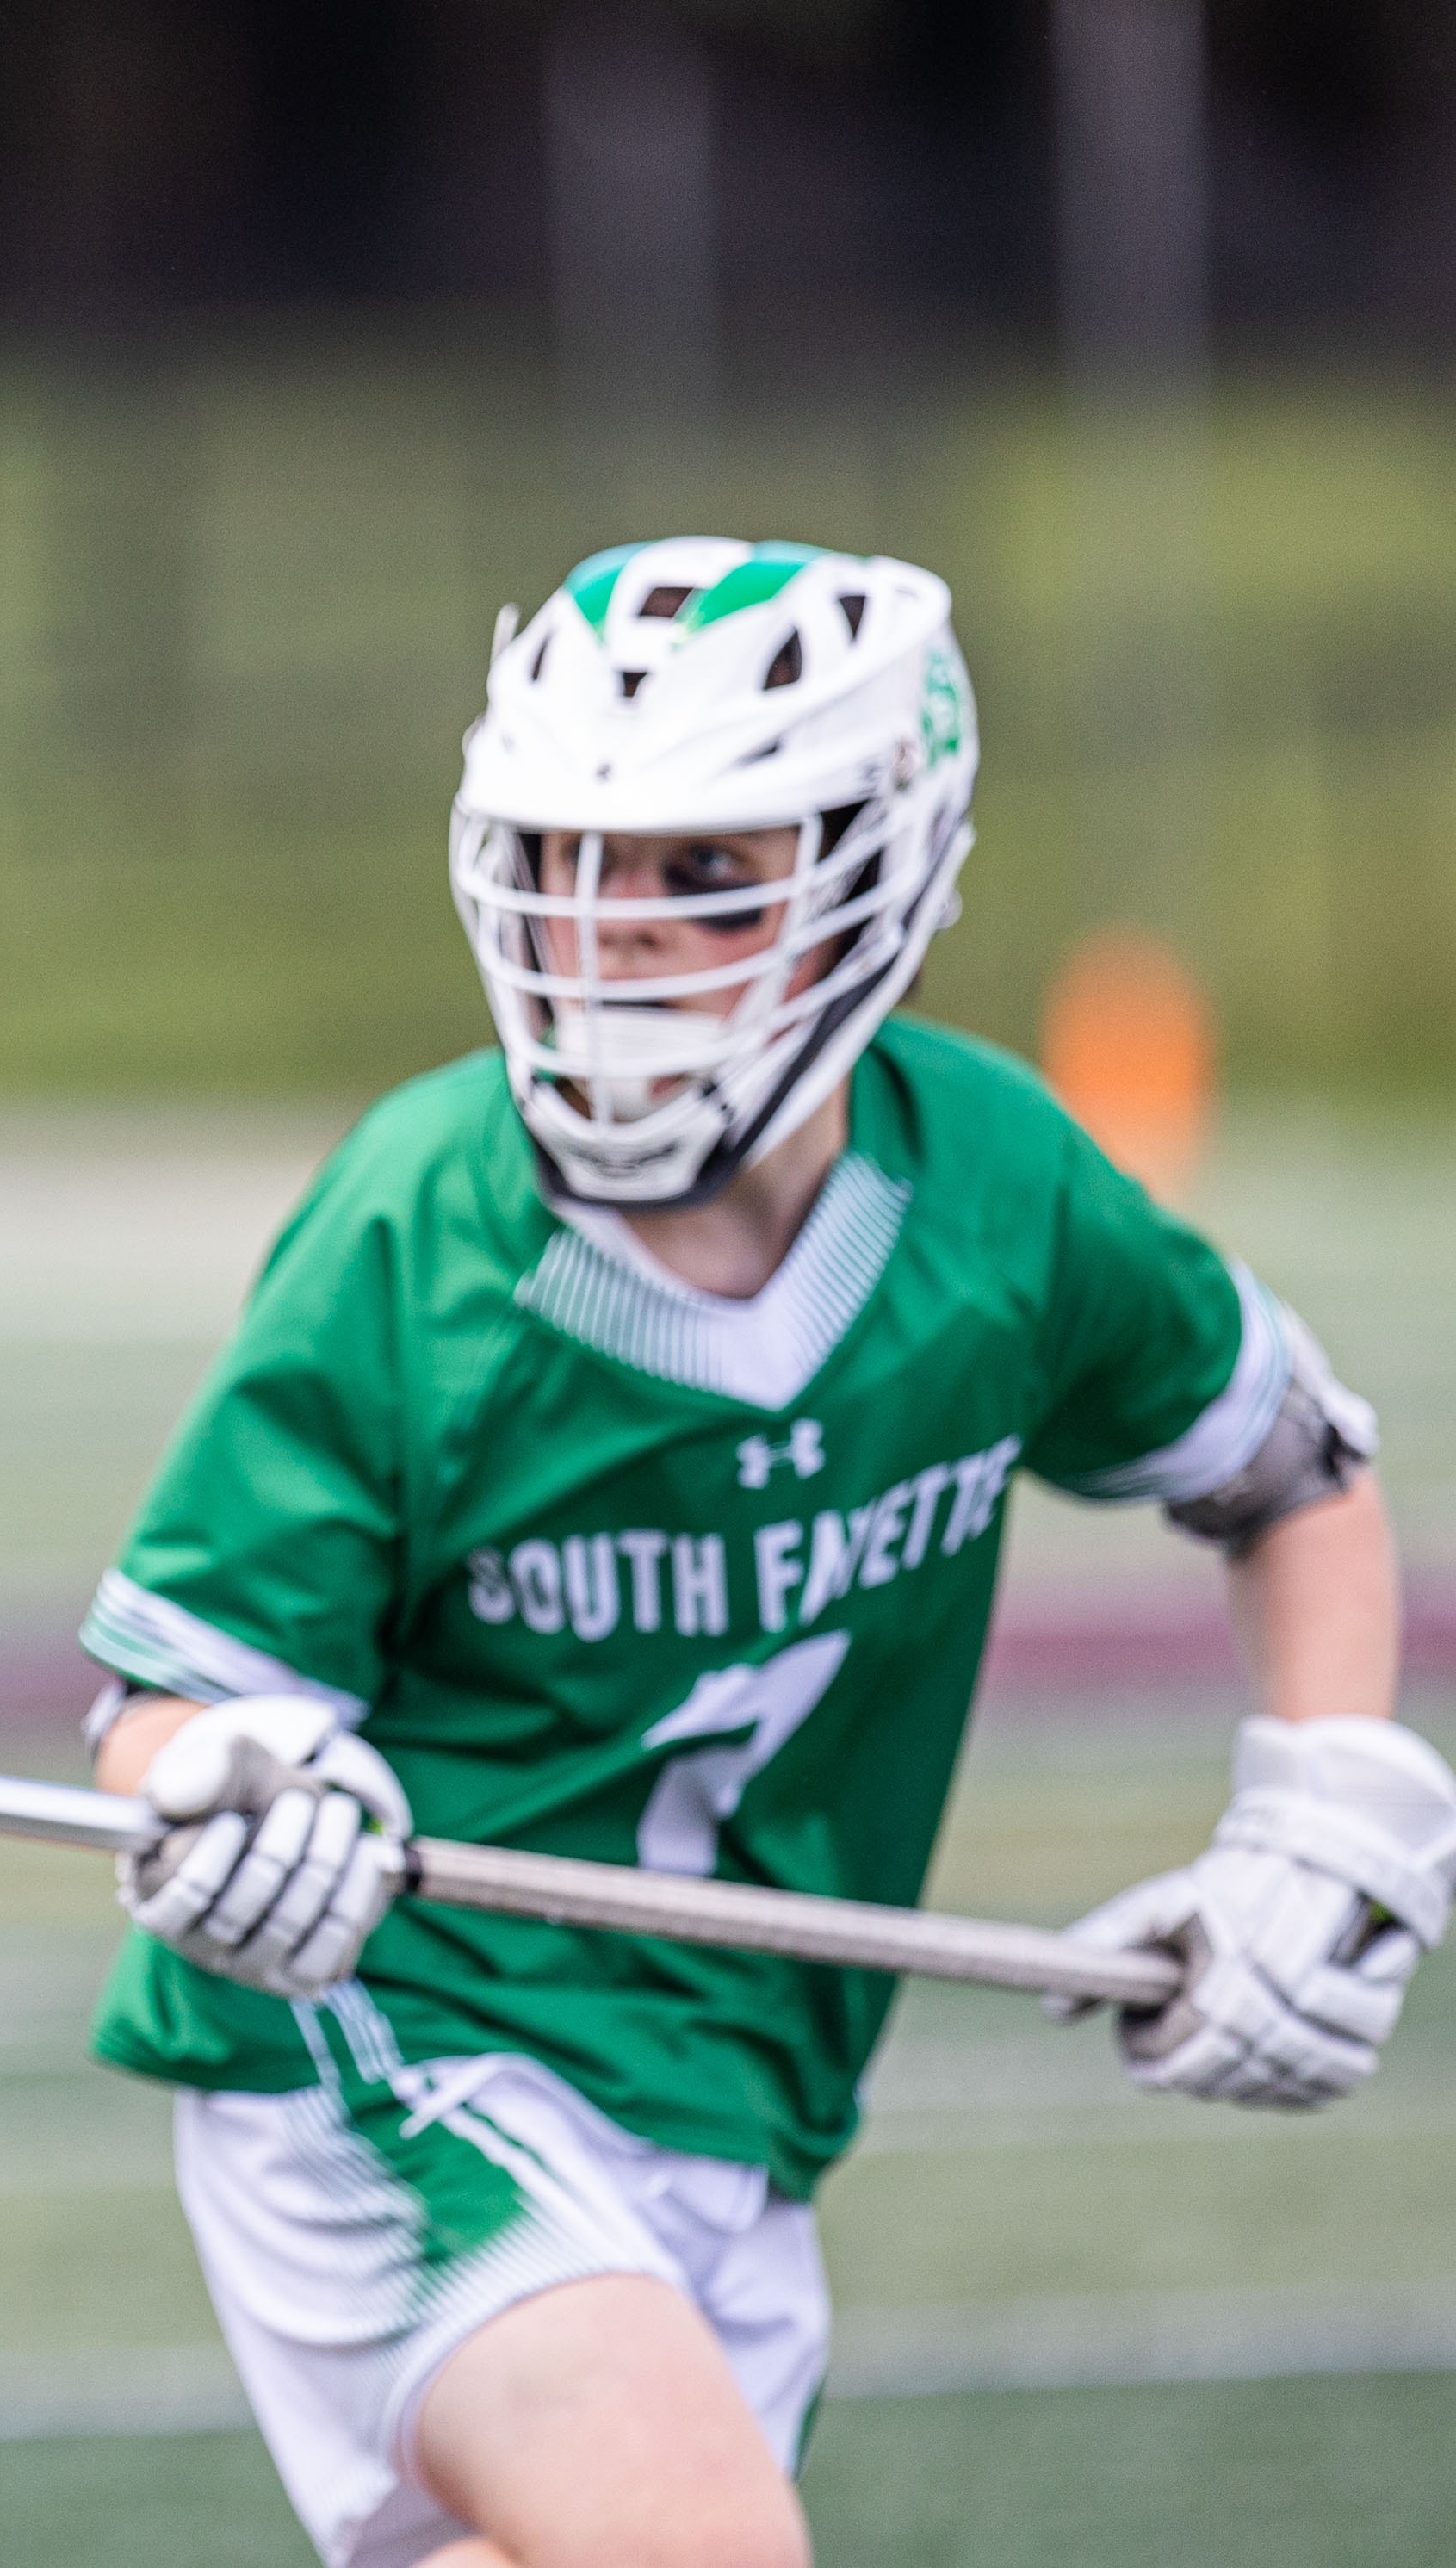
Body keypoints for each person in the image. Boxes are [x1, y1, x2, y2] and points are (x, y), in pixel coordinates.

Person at [77, 538, 1454, 2568]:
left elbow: (1291, 1472)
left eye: (703, 875)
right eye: (563, 863)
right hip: (405, 2031)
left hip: (738, 2087)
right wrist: (227, 1787)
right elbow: (175, 1693)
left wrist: (1321, 1812)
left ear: (878, 876)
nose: (608, 933)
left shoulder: (996, 1191)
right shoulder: (423, 1219)